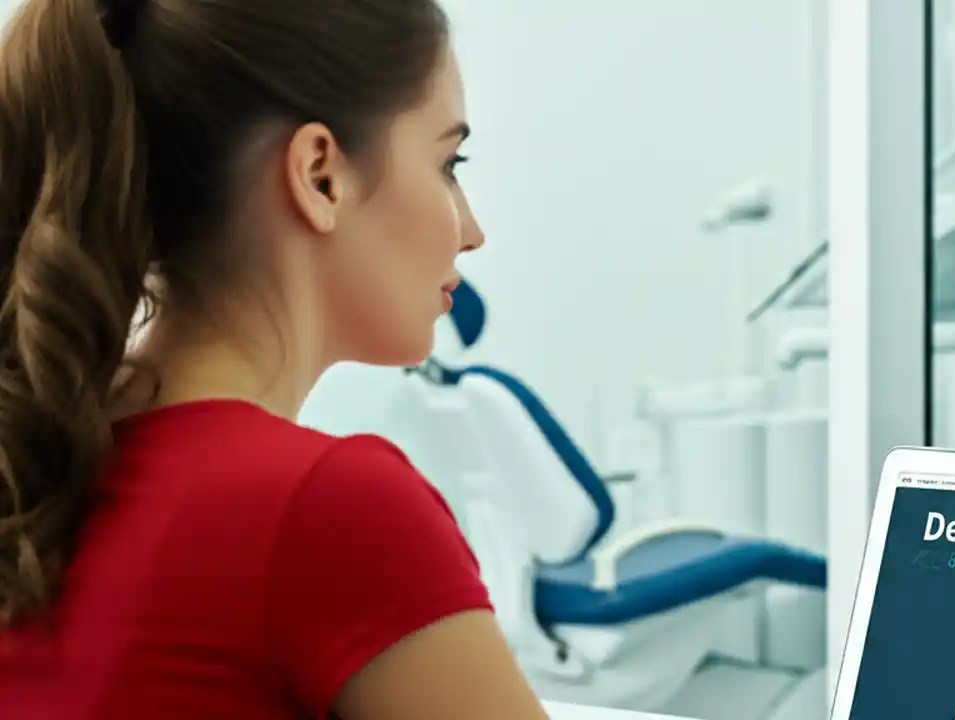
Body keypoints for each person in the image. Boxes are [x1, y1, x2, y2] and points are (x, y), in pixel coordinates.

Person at [0, 0, 549, 718]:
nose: (471, 232)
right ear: (321, 175)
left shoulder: (36, 470)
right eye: (449, 163)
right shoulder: (331, 508)